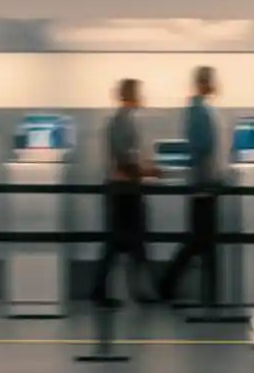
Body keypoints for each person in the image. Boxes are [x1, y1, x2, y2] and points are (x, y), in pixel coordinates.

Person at [89, 78, 159, 307]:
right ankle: (115, 290)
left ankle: (137, 291)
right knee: (123, 241)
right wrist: (149, 171)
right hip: (124, 189)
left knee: (129, 242)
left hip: (126, 187)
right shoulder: (122, 121)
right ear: (132, 95)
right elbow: (124, 158)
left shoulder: (124, 120)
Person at [158, 66, 221, 304]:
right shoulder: (198, 111)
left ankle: (203, 290)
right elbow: (203, 147)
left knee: (200, 240)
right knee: (201, 240)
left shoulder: (198, 110)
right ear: (205, 83)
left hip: (201, 181)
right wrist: (210, 178)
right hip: (202, 183)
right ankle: (174, 285)